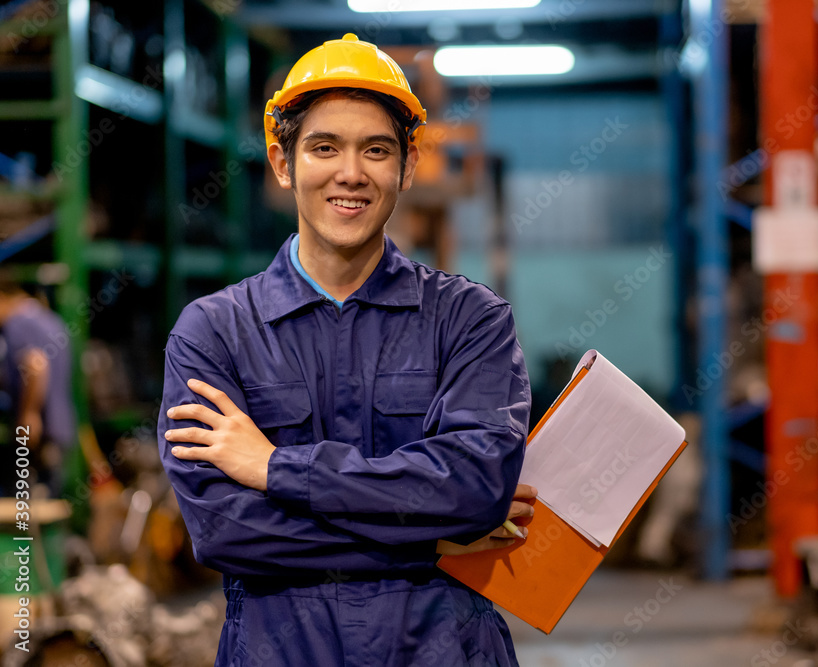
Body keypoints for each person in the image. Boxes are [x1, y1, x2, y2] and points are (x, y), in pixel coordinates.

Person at [157, 34, 534, 666]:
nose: (351, 173)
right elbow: (226, 531)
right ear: (283, 163)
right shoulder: (212, 332)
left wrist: (277, 469)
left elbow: (476, 490)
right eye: (324, 147)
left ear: (407, 167)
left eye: (376, 150)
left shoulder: (471, 320)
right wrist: (436, 543)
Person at [0, 274, 77, 497]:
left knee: (28, 507)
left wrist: (28, 414)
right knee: (49, 502)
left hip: (39, 432)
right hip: (59, 428)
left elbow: (36, 365)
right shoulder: (49, 319)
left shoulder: (18, 323)